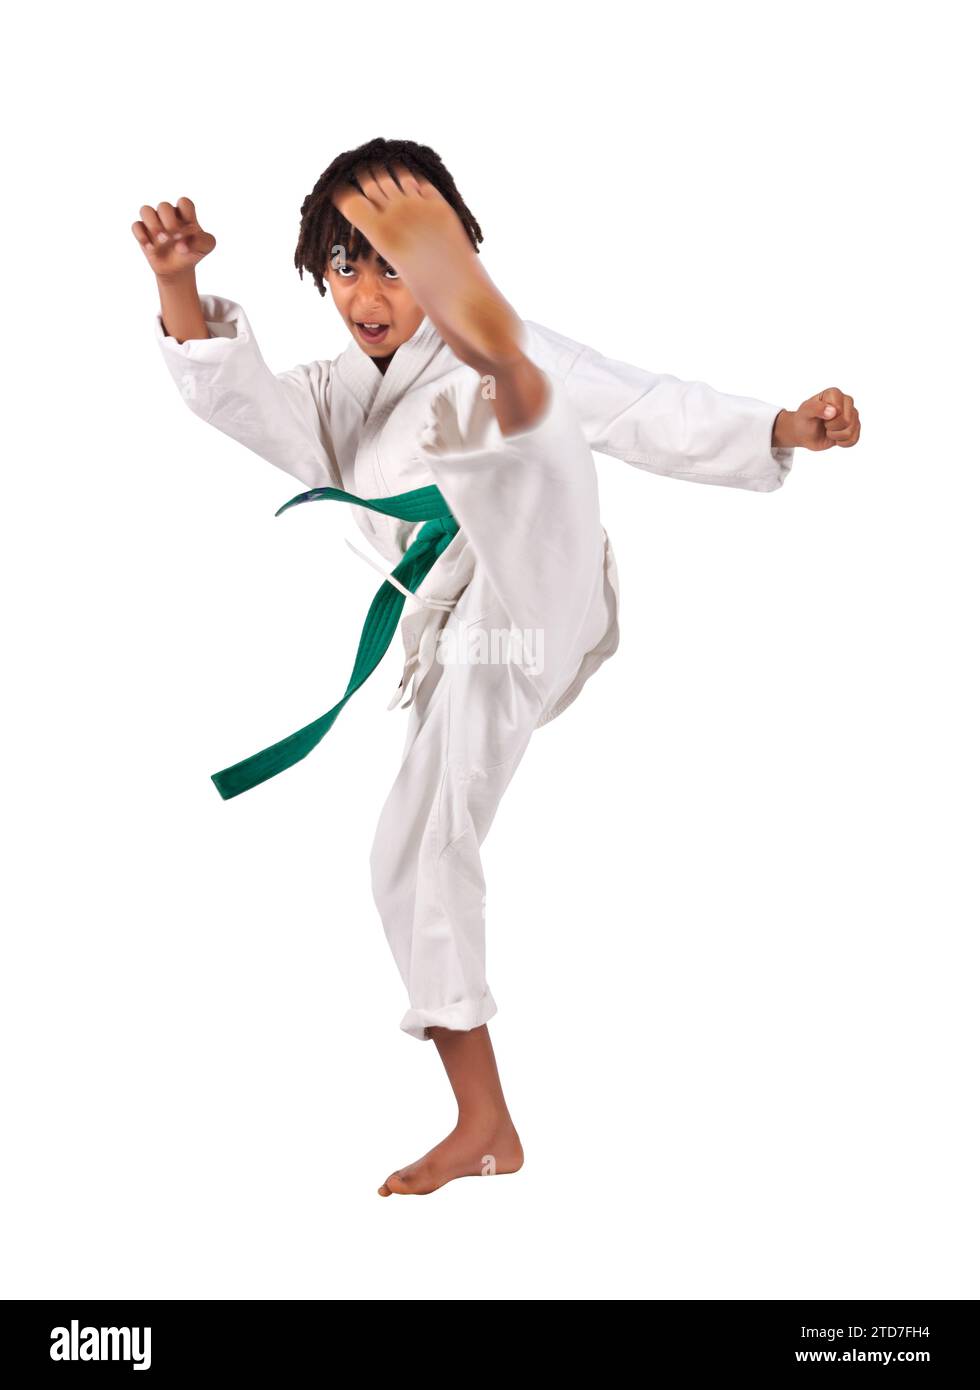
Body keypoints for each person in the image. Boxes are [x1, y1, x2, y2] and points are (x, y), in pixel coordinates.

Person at [133, 137, 860, 1197]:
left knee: (522, 403)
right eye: (344, 265)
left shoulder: (496, 344)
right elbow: (246, 407)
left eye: (392, 261)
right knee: (410, 847)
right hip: (468, 637)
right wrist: (176, 284)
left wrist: (782, 425)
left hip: (543, 568)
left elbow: (639, 404)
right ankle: (484, 1121)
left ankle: (507, 382)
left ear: (450, 254)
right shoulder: (337, 392)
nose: (364, 292)